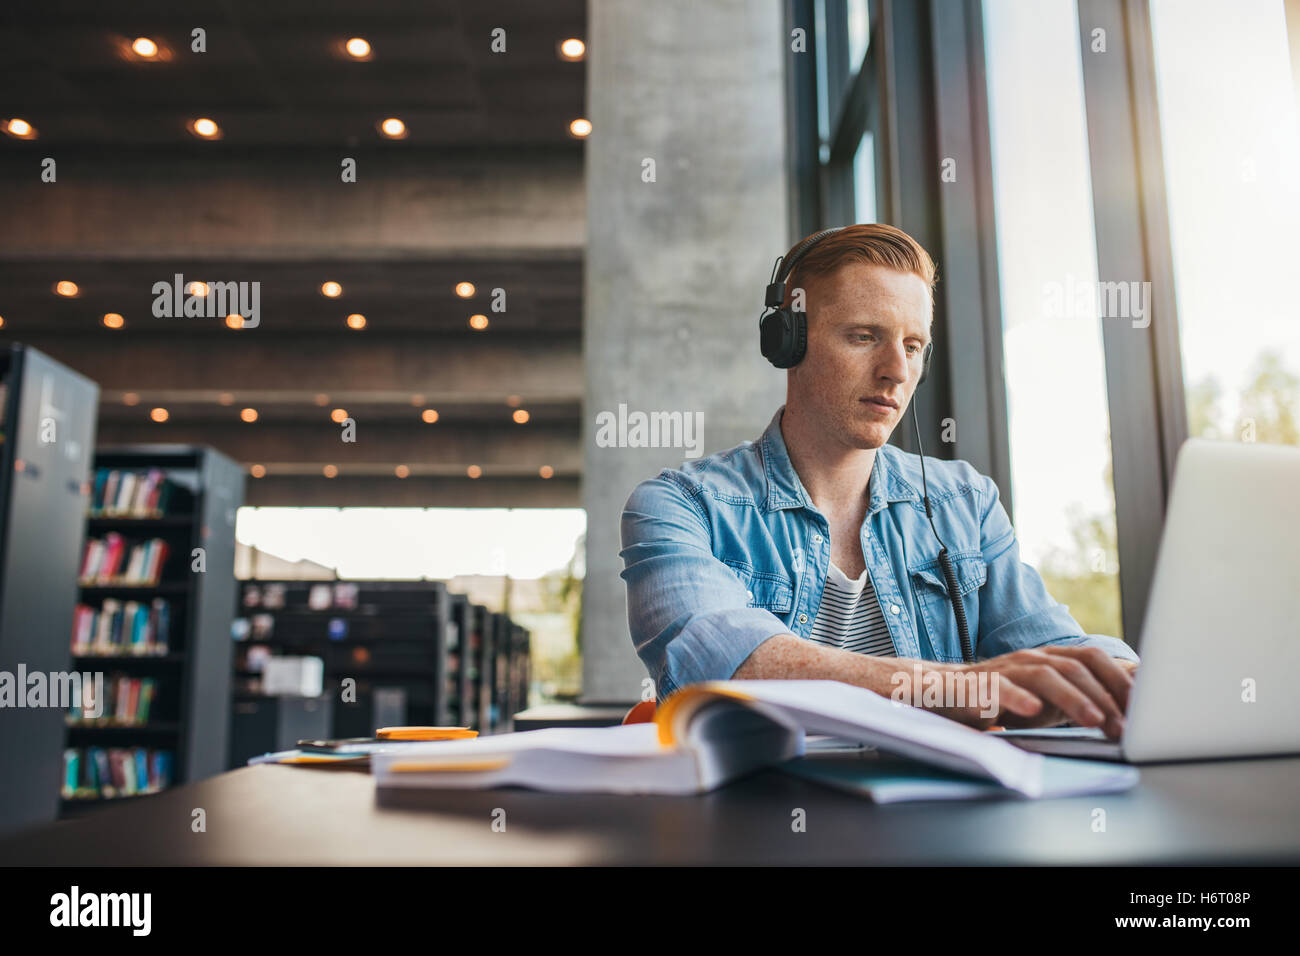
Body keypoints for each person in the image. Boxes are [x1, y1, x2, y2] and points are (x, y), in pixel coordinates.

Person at [619, 223, 1138, 736]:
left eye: (913, 346)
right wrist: (968, 688)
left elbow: (1053, 649)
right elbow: (724, 666)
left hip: (937, 814)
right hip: (761, 813)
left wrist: (1132, 680)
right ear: (788, 343)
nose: (896, 370)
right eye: (864, 337)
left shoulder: (965, 502)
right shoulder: (680, 505)